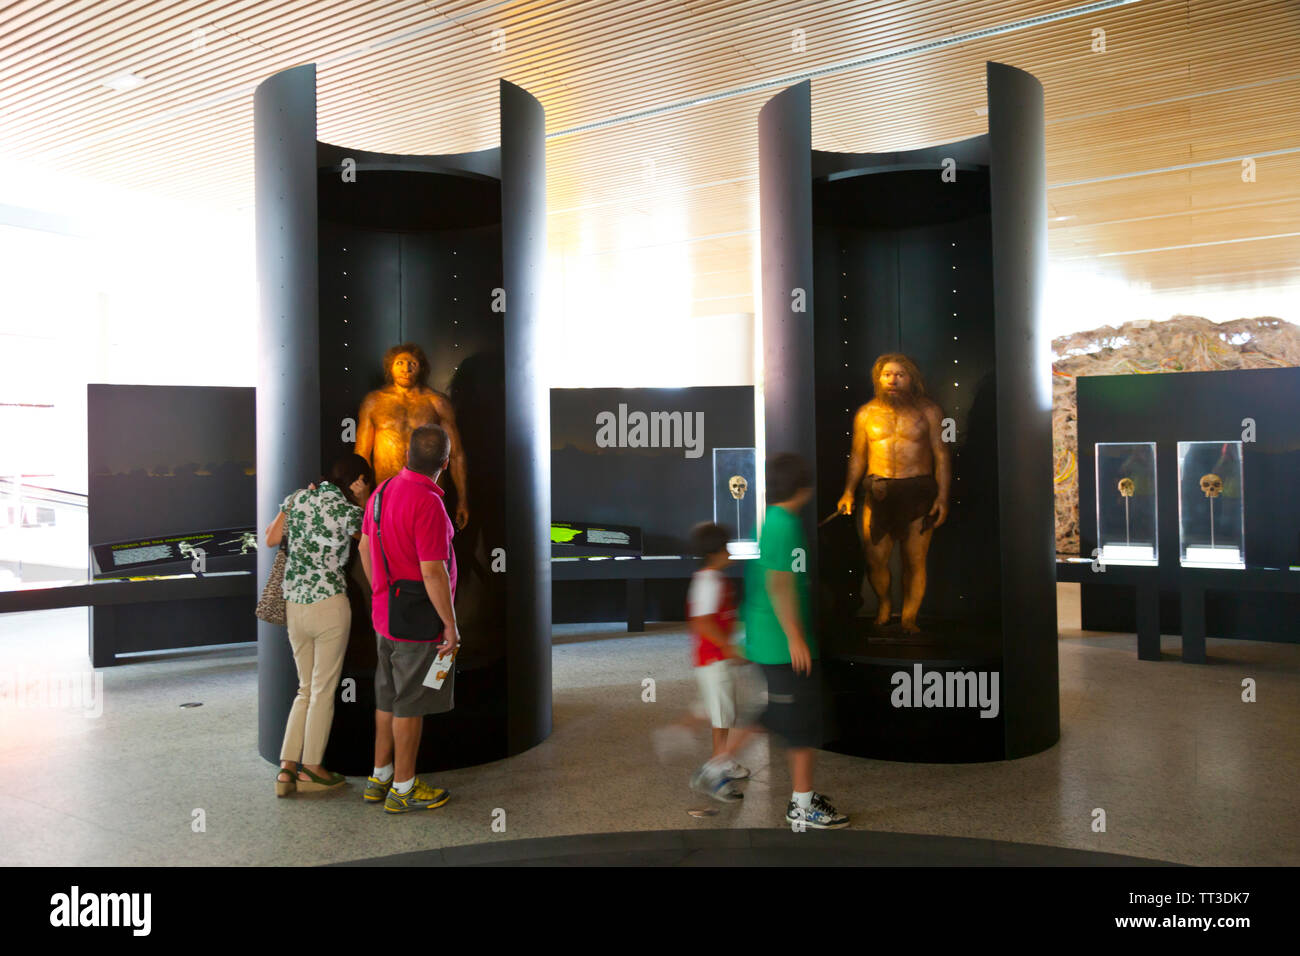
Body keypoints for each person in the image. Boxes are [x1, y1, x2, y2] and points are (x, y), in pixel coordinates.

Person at [694, 452, 849, 829]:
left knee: (776, 715)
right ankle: (801, 803)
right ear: (803, 486)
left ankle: (716, 768)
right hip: (782, 645)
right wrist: (795, 639)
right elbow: (778, 583)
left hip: (772, 642)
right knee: (802, 724)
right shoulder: (784, 525)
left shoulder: (777, 520)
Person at [358, 424, 461, 814]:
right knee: (411, 705)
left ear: (406, 455)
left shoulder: (382, 492)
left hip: (385, 617)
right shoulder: (428, 503)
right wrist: (450, 624)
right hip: (418, 624)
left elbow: (366, 547)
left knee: (387, 697)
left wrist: (382, 588)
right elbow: (433, 571)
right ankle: (403, 788)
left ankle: (379, 777)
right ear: (445, 463)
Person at [265, 453, 374, 797]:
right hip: (329, 603)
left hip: (295, 605)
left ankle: (286, 771)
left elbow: (270, 538)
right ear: (358, 479)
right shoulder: (348, 510)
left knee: (304, 689)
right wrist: (363, 500)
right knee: (323, 690)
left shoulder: (297, 498)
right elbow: (371, 540)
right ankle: (312, 769)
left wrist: (294, 505)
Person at [836, 353, 950, 633]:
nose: (893, 380)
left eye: (900, 374)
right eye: (887, 374)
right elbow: (858, 457)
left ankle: (909, 617)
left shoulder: (929, 411)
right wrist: (848, 492)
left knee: (915, 560)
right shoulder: (866, 414)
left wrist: (943, 497)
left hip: (918, 492)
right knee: (875, 559)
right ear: (879, 379)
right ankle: (885, 604)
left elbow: (942, 455)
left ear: (911, 378)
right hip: (879, 491)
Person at [661, 522, 751, 802]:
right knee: (722, 716)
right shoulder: (708, 581)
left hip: (716, 660)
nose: (730, 553)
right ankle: (716, 773)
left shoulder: (713, 578)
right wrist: (728, 647)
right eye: (726, 548)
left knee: (722, 711)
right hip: (714, 660)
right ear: (715, 552)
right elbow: (701, 622)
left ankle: (720, 760)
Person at [354, 343, 469, 529]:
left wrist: (463, 499)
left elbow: (456, 455)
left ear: (421, 368)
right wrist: (362, 498)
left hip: (428, 494)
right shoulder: (374, 402)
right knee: (389, 551)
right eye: (400, 363)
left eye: (411, 364)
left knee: (428, 549)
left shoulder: (437, 403)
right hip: (387, 492)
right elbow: (362, 455)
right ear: (390, 367)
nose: (405, 369)